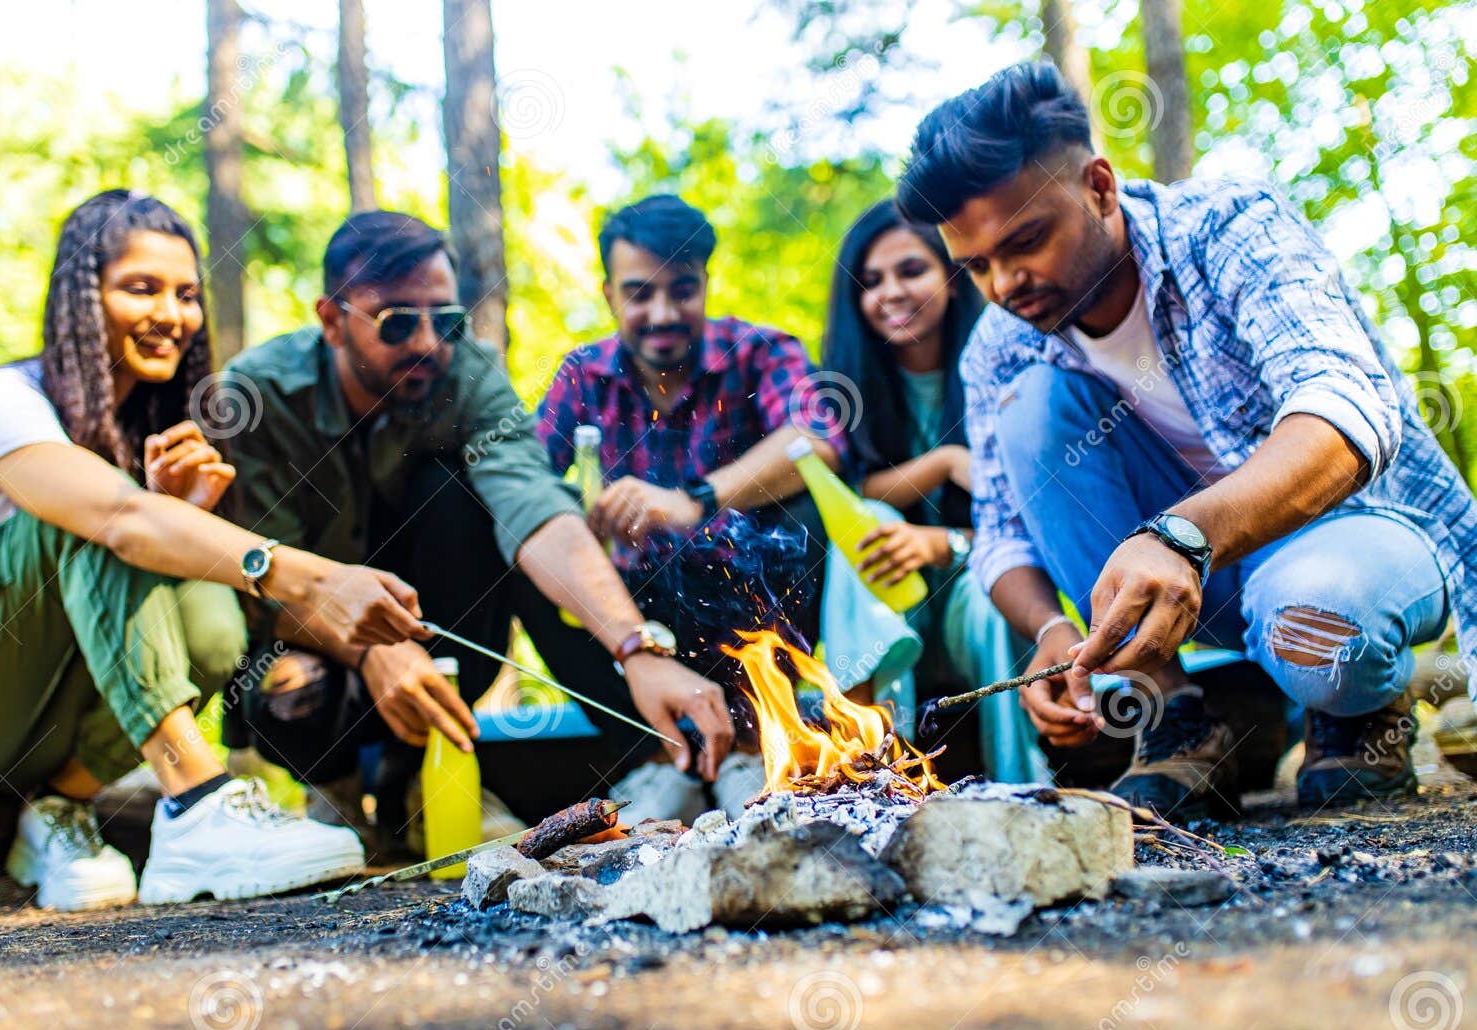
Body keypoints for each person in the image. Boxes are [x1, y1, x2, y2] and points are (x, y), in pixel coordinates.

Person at [895, 62, 1477, 818]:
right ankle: (1177, 716)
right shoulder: (1001, 346)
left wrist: (1181, 535)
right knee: (1028, 404)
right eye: (976, 267)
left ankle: (1362, 711)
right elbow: (1003, 535)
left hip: (1360, 538)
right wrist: (1049, 629)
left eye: (1026, 240)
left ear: (1099, 187)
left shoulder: (1230, 226)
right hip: (1192, 581)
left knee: (1316, 617)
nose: (1005, 285)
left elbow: (1343, 407)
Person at [0, 190, 420, 910]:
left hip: (34, 735)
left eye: (187, 294)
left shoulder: (151, 433)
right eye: (141, 288)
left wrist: (176, 521)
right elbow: (116, 516)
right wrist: (313, 577)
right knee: (101, 522)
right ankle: (197, 801)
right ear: (82, 297)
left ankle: (57, 811)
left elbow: (149, 544)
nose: (171, 313)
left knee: (213, 606)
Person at [218, 211, 733, 847]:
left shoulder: (466, 374)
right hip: (314, 645)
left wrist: (637, 650)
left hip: (440, 635)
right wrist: (373, 647)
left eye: (447, 320)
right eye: (398, 322)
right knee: (286, 684)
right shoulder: (258, 393)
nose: (430, 343)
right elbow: (261, 579)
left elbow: (536, 509)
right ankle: (338, 791)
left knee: (460, 490)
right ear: (332, 319)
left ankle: (424, 784)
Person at [534, 194, 846, 816]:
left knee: (806, 515)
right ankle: (654, 758)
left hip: (744, 593)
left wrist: (692, 500)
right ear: (607, 294)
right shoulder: (581, 374)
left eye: (682, 289)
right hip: (634, 610)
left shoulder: (760, 350)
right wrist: (580, 514)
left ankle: (755, 746)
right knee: (530, 544)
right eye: (638, 293)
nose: (662, 312)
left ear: (708, 282)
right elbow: (524, 484)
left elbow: (819, 441)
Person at [821, 198, 1045, 782]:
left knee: (993, 591)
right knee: (865, 520)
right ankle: (873, 771)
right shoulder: (848, 386)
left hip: (976, 597)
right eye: (871, 281)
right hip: (892, 605)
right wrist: (946, 462)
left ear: (953, 272)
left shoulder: (1004, 363)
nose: (891, 292)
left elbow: (1035, 527)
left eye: (911, 271)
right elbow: (851, 492)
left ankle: (1022, 788)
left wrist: (941, 543)